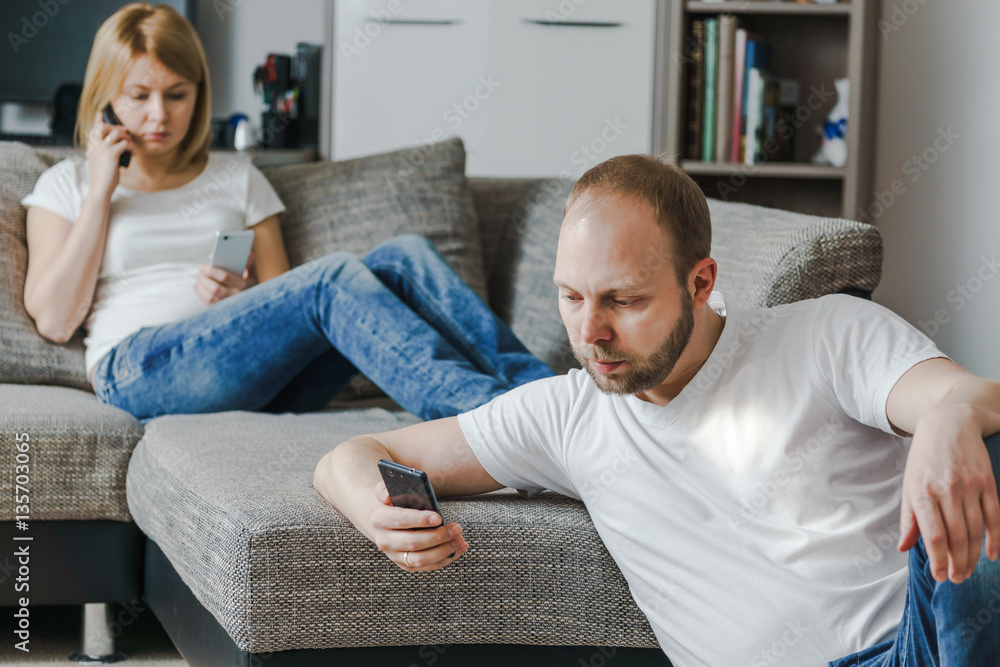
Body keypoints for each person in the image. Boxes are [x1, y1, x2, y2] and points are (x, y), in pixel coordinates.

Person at [314, 154, 1000, 666]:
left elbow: (972, 394)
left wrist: (948, 418)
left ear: (701, 282)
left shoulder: (824, 335)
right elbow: (356, 455)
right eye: (571, 297)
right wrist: (375, 513)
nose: (590, 333)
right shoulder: (565, 415)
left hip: (923, 636)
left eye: (624, 300)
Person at [20, 3, 551, 421]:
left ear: (199, 95)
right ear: (106, 98)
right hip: (137, 371)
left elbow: (286, 296)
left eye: (177, 95)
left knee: (403, 256)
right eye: (139, 95)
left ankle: (549, 399)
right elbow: (55, 319)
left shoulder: (237, 176)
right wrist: (101, 192)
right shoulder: (66, 184)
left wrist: (241, 297)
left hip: (259, 379)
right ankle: (495, 422)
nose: (160, 115)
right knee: (331, 279)